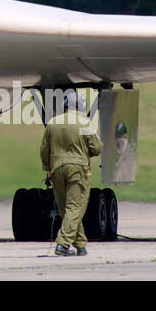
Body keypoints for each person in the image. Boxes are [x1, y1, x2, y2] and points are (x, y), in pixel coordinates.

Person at [40, 91, 102, 257]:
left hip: (56, 169)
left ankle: (80, 244)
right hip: (78, 169)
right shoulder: (84, 123)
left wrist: (48, 169)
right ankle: (62, 244)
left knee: (66, 209)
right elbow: (96, 148)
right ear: (81, 106)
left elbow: (44, 150)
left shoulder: (53, 123)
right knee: (75, 207)